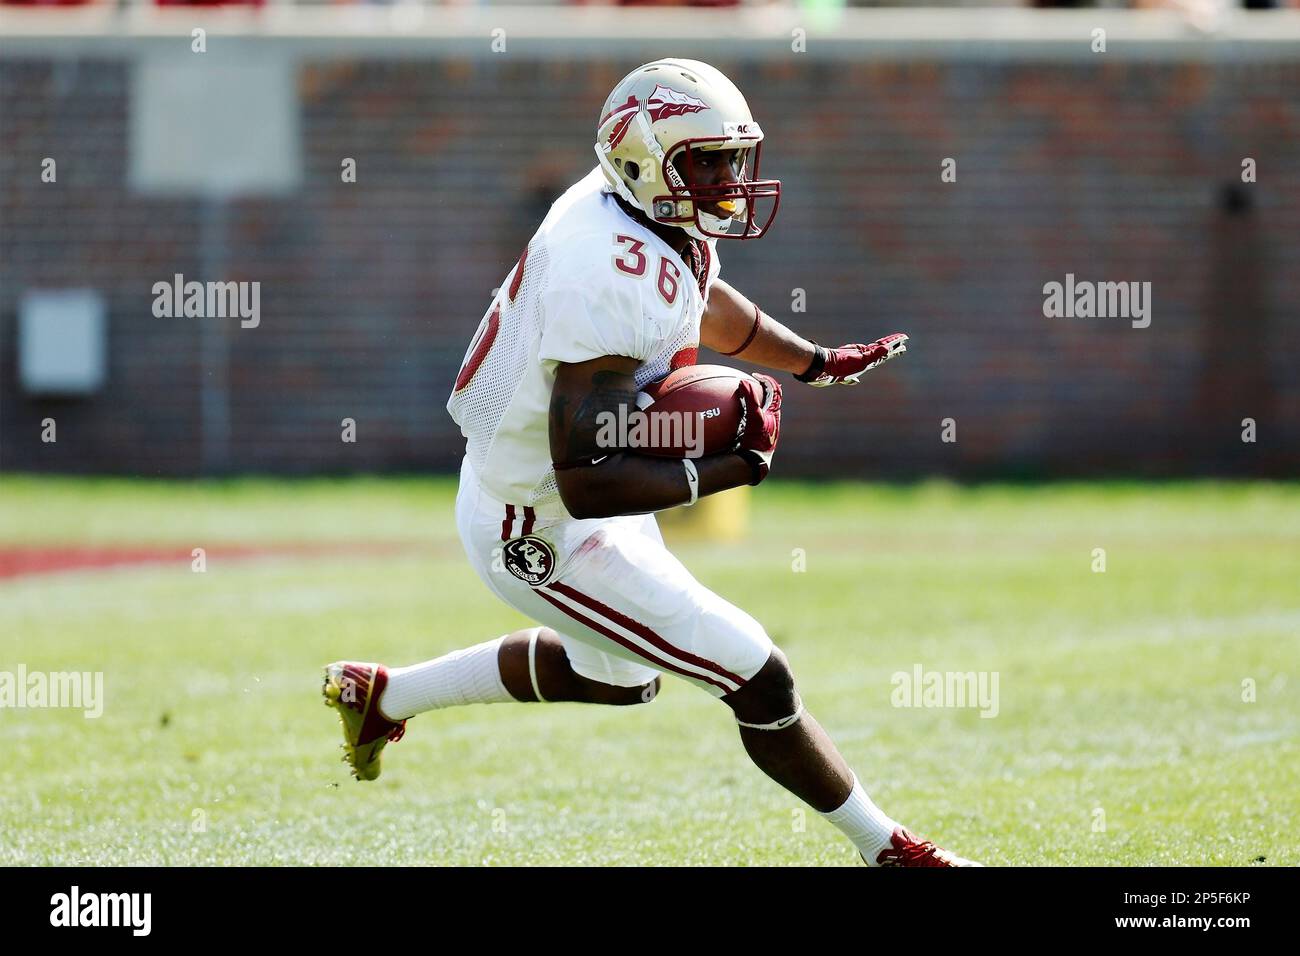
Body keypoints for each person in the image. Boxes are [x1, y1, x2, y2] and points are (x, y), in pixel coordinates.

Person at [323, 58, 978, 867]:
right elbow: (587, 480)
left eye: (735, 158)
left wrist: (811, 360)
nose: (730, 179)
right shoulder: (604, 270)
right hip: (540, 524)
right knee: (757, 675)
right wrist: (730, 467)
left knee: (623, 678)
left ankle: (382, 696)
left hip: (556, 480)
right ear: (643, 159)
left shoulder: (636, 210)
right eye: (708, 160)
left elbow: (701, 294)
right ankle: (891, 851)